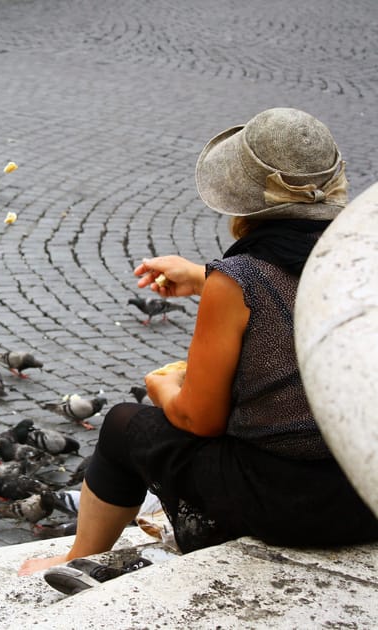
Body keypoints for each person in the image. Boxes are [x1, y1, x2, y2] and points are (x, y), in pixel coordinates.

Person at [19, 107, 378, 582]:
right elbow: (305, 291)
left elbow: (199, 419)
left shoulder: (240, 281)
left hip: (292, 506)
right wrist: (205, 277)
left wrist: (161, 387)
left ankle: (77, 559)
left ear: (243, 199)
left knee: (125, 425)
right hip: (365, 493)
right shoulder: (363, 252)